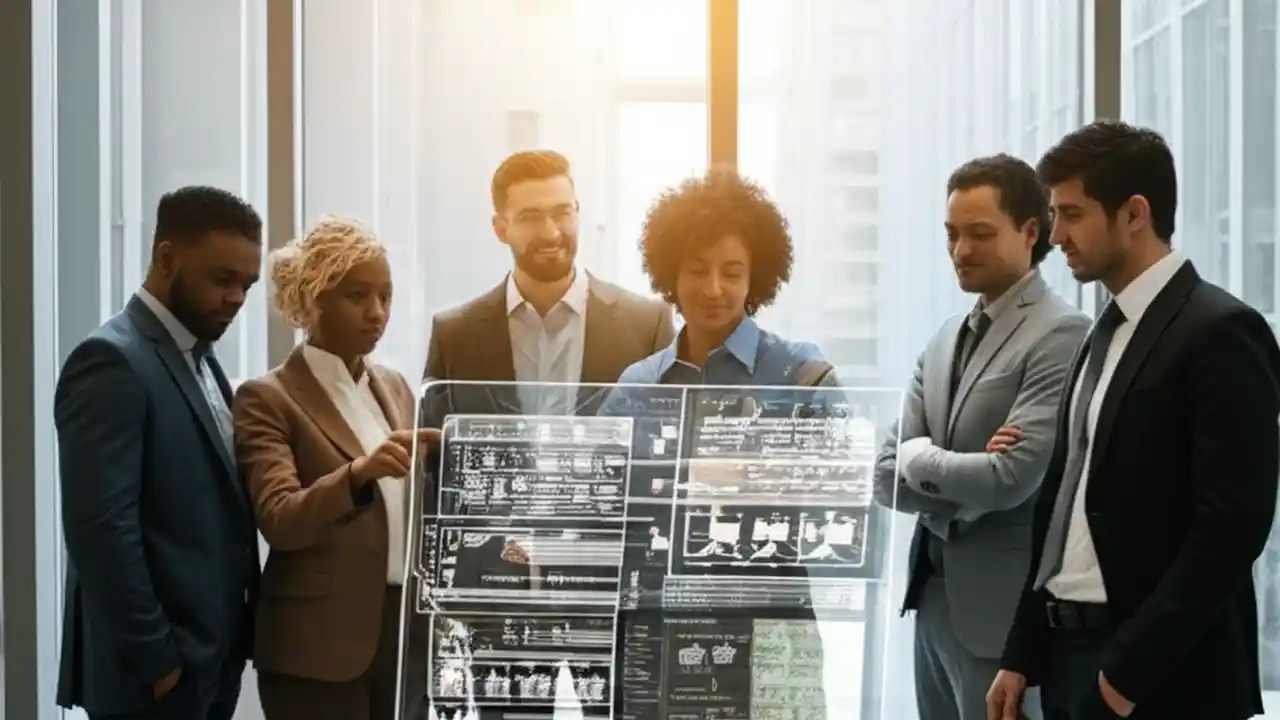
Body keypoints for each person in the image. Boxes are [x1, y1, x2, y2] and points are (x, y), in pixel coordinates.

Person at [986, 120, 1280, 720]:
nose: (1057, 236)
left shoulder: (1222, 330)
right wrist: (1021, 652)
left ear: (1134, 213)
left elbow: (1231, 529)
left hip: (1161, 679)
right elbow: (1062, 502)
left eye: (1072, 214)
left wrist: (1124, 680)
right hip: (1069, 658)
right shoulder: (1103, 331)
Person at [873, 154, 1089, 720]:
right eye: (952, 234)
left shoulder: (1063, 334)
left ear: (1031, 232)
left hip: (1004, 621)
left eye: (980, 233)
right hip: (931, 606)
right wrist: (956, 474)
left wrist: (920, 457)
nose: (960, 250)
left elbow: (1012, 479)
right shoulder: (944, 338)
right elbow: (881, 475)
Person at [54, 186, 263, 719]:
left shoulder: (201, 358)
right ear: (167, 258)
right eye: (223, 279)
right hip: (152, 679)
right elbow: (100, 530)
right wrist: (158, 661)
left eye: (247, 284)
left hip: (208, 662)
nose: (237, 297)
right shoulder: (110, 360)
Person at [232, 216, 435, 720]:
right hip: (316, 651)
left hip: (400, 637)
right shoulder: (267, 398)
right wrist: (357, 475)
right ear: (315, 298)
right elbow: (280, 518)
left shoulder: (397, 387)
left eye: (385, 296)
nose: (377, 312)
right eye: (358, 295)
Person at [423, 149, 675, 415]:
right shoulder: (454, 336)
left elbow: (670, 442)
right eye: (530, 217)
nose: (551, 232)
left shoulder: (647, 327)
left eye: (562, 213)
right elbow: (433, 450)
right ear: (501, 228)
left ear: (577, 213)